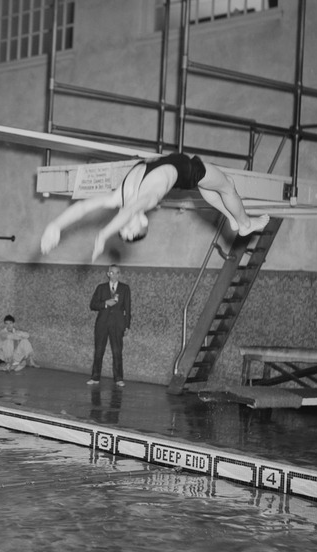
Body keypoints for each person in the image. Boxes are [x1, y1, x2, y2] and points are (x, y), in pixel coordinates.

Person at [40, 152, 272, 262]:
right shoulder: (147, 200)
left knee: (207, 188)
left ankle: (230, 217)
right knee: (228, 186)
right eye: (128, 229)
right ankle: (245, 223)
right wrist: (104, 234)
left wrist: (56, 225)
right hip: (188, 170)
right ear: (143, 220)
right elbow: (129, 212)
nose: (123, 226)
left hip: (184, 171)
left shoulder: (117, 197)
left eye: (122, 229)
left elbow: (83, 207)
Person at [87, 264, 131, 387]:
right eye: (112, 272)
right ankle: (95, 377)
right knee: (99, 351)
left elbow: (128, 308)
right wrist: (105, 303)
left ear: (119, 274)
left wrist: (127, 325)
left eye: (117, 273)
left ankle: (119, 378)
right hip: (102, 324)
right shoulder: (101, 288)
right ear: (108, 274)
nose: (114, 275)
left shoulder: (125, 288)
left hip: (117, 324)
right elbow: (93, 305)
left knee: (117, 352)